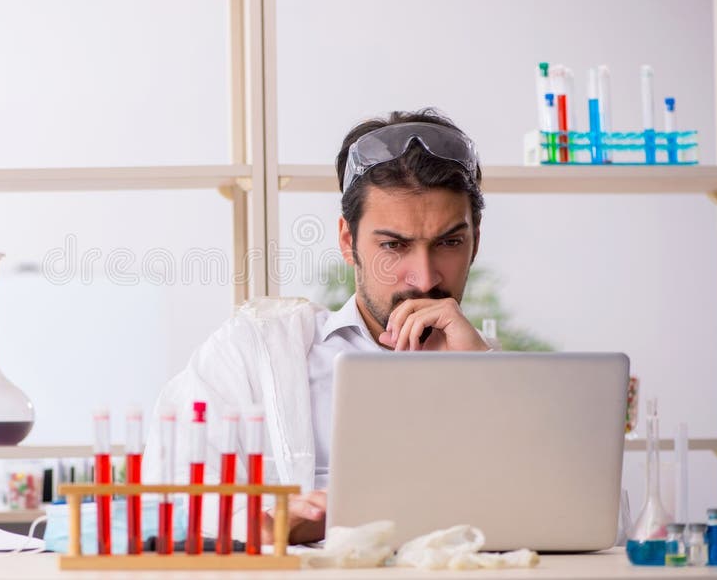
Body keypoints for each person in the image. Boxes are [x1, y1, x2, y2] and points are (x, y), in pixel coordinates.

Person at [143, 108, 490, 546]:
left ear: (475, 239)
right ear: (348, 241)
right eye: (393, 246)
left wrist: (482, 379)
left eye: (448, 242)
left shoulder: (495, 370)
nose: (423, 278)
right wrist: (261, 526)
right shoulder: (254, 350)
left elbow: (571, 514)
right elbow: (166, 488)